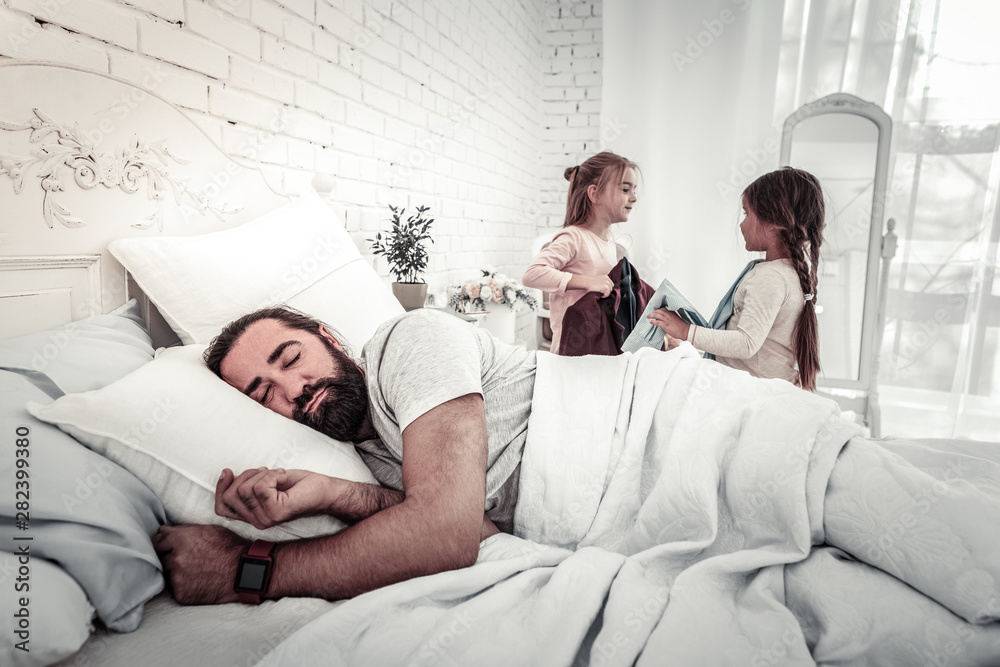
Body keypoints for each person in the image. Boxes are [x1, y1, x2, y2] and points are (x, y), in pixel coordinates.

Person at [154, 306, 534, 603]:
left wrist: (241, 569)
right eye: (265, 394)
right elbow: (477, 530)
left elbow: (447, 534)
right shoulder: (361, 459)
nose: (294, 389)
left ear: (330, 339)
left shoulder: (410, 341)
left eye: (291, 359)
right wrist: (332, 494)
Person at [646, 167, 824, 390]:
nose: (741, 224)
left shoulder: (771, 276)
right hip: (764, 389)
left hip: (752, 392)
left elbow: (746, 343)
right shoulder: (788, 273)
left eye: (747, 214)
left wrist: (685, 331)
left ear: (773, 224)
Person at [522, 151, 639, 354]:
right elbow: (532, 274)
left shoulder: (610, 245)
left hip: (600, 349)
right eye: (625, 189)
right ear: (595, 194)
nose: (634, 198)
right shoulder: (573, 237)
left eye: (634, 190)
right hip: (572, 354)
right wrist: (587, 281)